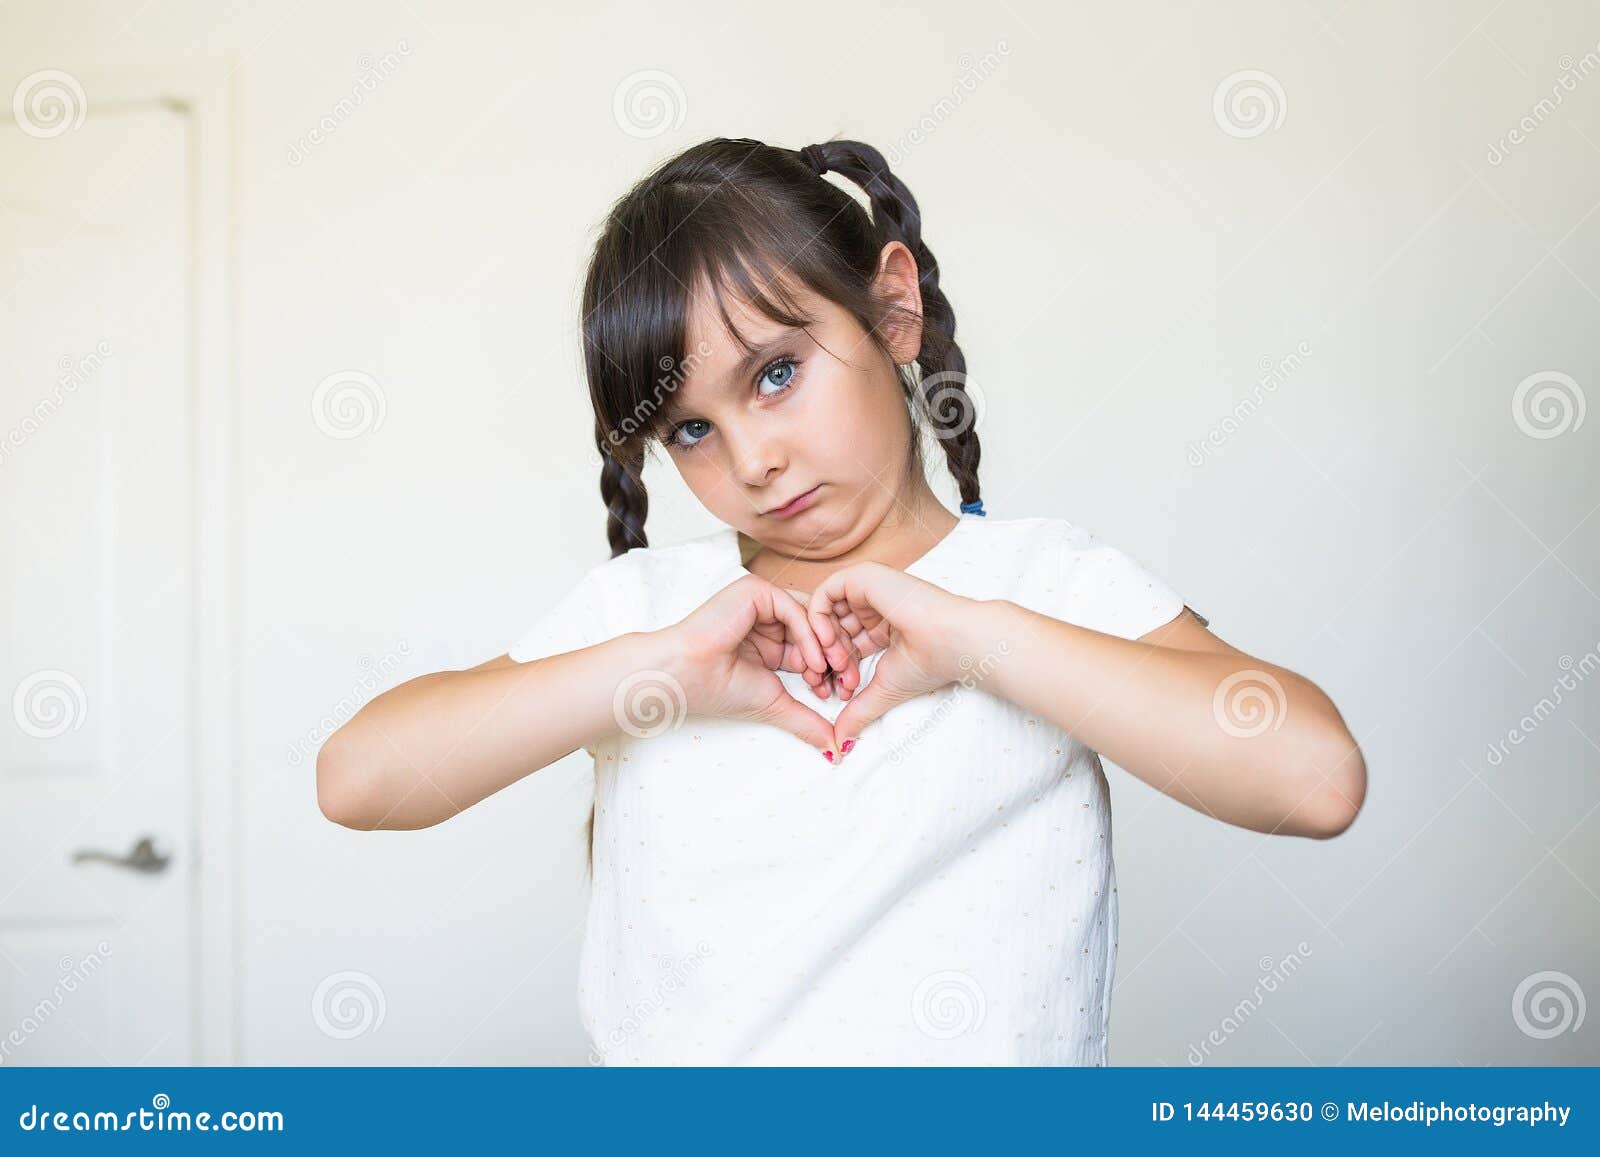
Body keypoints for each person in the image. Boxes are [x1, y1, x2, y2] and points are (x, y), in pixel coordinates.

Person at [317, 137, 1366, 1065]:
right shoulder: (647, 616)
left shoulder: (1045, 588)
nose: (755, 458)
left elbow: (1314, 779)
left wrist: (971, 640)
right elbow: (358, 778)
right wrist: (662, 671)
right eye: (690, 429)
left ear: (891, 304)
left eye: (776, 372)